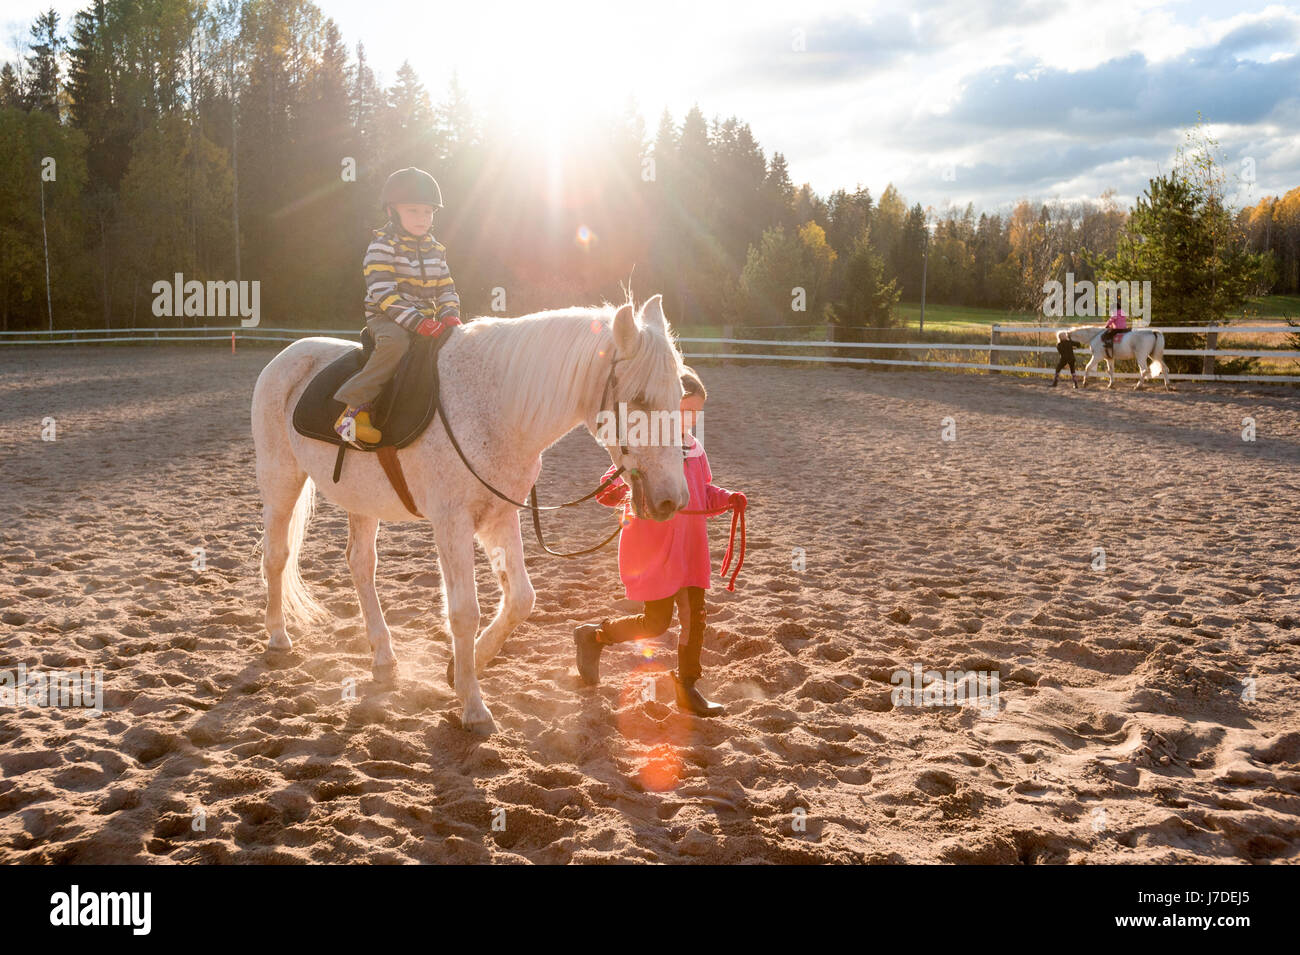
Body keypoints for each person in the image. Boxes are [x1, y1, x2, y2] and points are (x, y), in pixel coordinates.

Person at [573, 368, 746, 717]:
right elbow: (607, 489)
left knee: (695, 618)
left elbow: (701, 494)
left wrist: (727, 498)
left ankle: (687, 687)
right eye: (684, 411)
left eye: (696, 413)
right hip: (655, 550)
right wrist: (635, 482)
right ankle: (594, 637)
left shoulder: (695, 450)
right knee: (656, 622)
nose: (690, 420)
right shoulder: (645, 448)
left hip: (690, 549)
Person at [333, 167, 462, 445]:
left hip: (427, 318)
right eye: (413, 211)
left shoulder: (436, 250)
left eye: (428, 212)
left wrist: (450, 313)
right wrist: (418, 322)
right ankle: (353, 411)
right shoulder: (382, 246)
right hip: (387, 317)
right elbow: (383, 293)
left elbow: (446, 287)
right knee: (396, 343)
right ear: (393, 213)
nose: (422, 218)